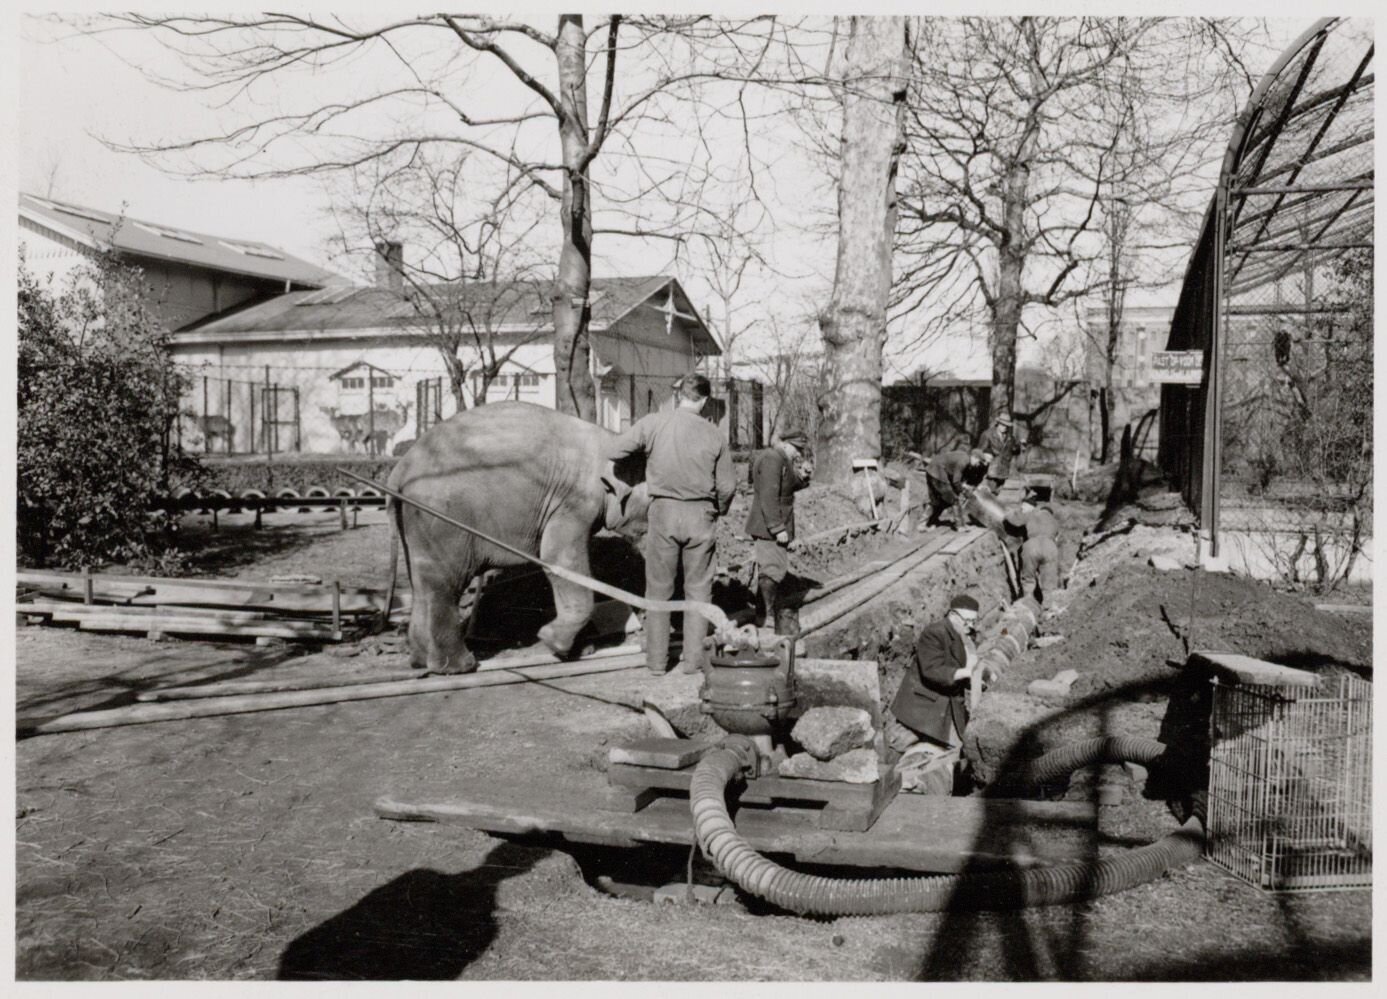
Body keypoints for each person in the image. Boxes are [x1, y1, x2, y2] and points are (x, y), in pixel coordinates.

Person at [606, 374, 735, 675]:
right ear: (704, 401)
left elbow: (614, 450)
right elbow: (727, 487)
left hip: (663, 512)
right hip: (700, 515)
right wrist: (717, 510)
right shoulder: (715, 435)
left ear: (679, 397)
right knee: (699, 590)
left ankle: (656, 664)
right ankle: (692, 662)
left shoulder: (653, 423)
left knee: (659, 589)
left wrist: (646, 457)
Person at [885, 594, 991, 794]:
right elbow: (932, 670)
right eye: (967, 621)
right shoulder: (934, 633)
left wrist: (977, 680)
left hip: (947, 704)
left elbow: (959, 669)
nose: (971, 626)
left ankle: (949, 786)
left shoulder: (962, 635)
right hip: (921, 708)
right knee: (895, 749)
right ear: (953, 615)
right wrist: (966, 672)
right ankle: (886, 784)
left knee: (960, 748)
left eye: (973, 621)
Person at [745, 427, 812, 635]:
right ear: (785, 444)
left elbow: (787, 488)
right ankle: (765, 619)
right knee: (773, 570)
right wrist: (777, 528)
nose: (798, 453)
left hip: (774, 525)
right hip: (768, 526)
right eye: (796, 449)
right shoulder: (773, 459)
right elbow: (768, 496)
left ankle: (762, 615)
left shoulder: (783, 459)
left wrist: (804, 477)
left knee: (773, 568)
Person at [1003, 500, 1061, 602]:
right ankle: (1049, 607)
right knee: (1049, 582)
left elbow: (1015, 520)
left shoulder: (1033, 513)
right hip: (1050, 546)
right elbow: (1057, 539)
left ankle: (1028, 604)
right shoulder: (1055, 521)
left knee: (1028, 579)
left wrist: (1008, 512)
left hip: (1032, 545)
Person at [924, 447, 990, 530]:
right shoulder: (963, 462)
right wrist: (963, 492)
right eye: (978, 461)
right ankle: (960, 526)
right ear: (974, 457)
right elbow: (956, 481)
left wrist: (963, 488)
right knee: (954, 500)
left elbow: (955, 477)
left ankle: (926, 523)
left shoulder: (964, 457)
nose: (978, 464)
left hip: (931, 470)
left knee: (937, 500)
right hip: (938, 473)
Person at [980, 412, 1024, 493]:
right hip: (990, 472)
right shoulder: (987, 434)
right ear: (998, 423)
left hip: (1003, 472)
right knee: (987, 495)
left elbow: (1014, 451)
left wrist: (1019, 446)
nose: (1005, 428)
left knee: (995, 495)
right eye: (1003, 425)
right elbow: (980, 453)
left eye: (1007, 426)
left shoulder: (1010, 438)